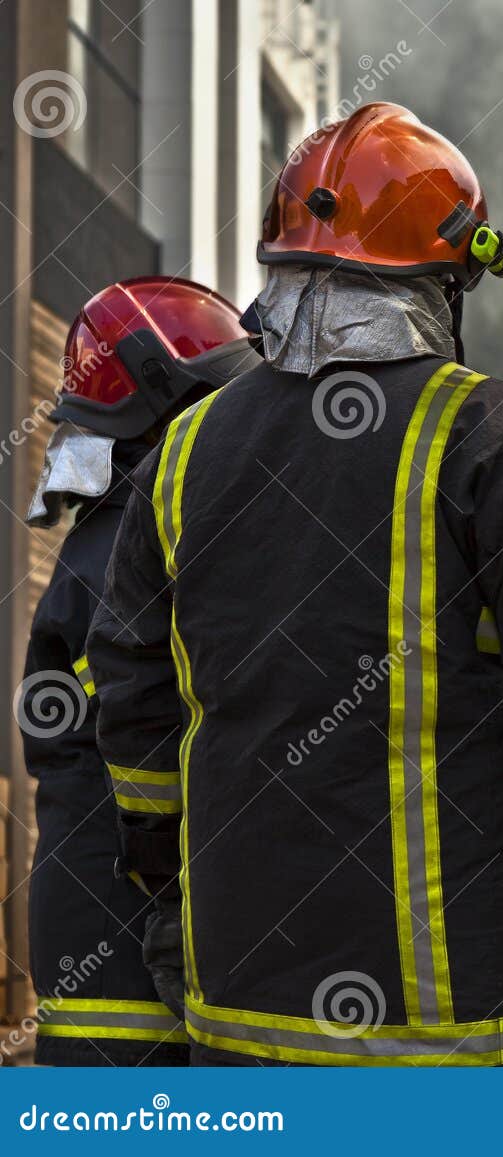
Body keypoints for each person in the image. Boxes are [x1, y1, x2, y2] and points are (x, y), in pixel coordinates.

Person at [86, 103, 503, 1066]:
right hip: (438, 1025)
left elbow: (131, 701)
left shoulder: (181, 452)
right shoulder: (500, 440)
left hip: (236, 1015)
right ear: (452, 274)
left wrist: (161, 884)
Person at [20, 276, 258, 1065]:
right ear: (176, 404)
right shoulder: (137, 548)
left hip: (112, 910)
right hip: (119, 933)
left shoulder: (118, 537)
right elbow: (149, 727)